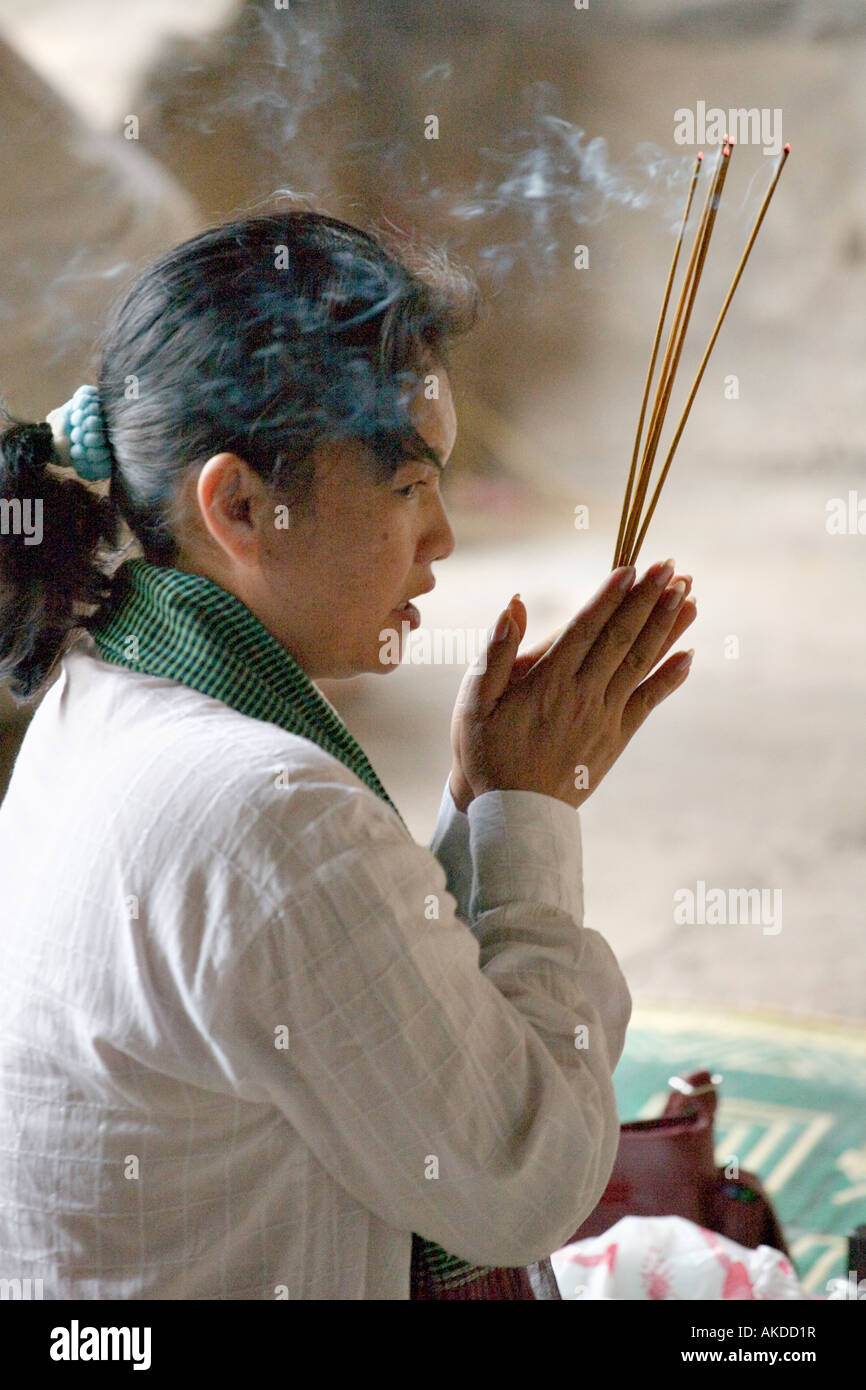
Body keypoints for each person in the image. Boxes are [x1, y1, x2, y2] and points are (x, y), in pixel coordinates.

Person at [0, 209, 696, 1300]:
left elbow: (359, 1009)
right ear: (239, 505)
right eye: (410, 489)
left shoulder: (96, 694)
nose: (442, 540)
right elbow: (522, 1176)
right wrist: (526, 816)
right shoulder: (264, 809)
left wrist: (479, 801)